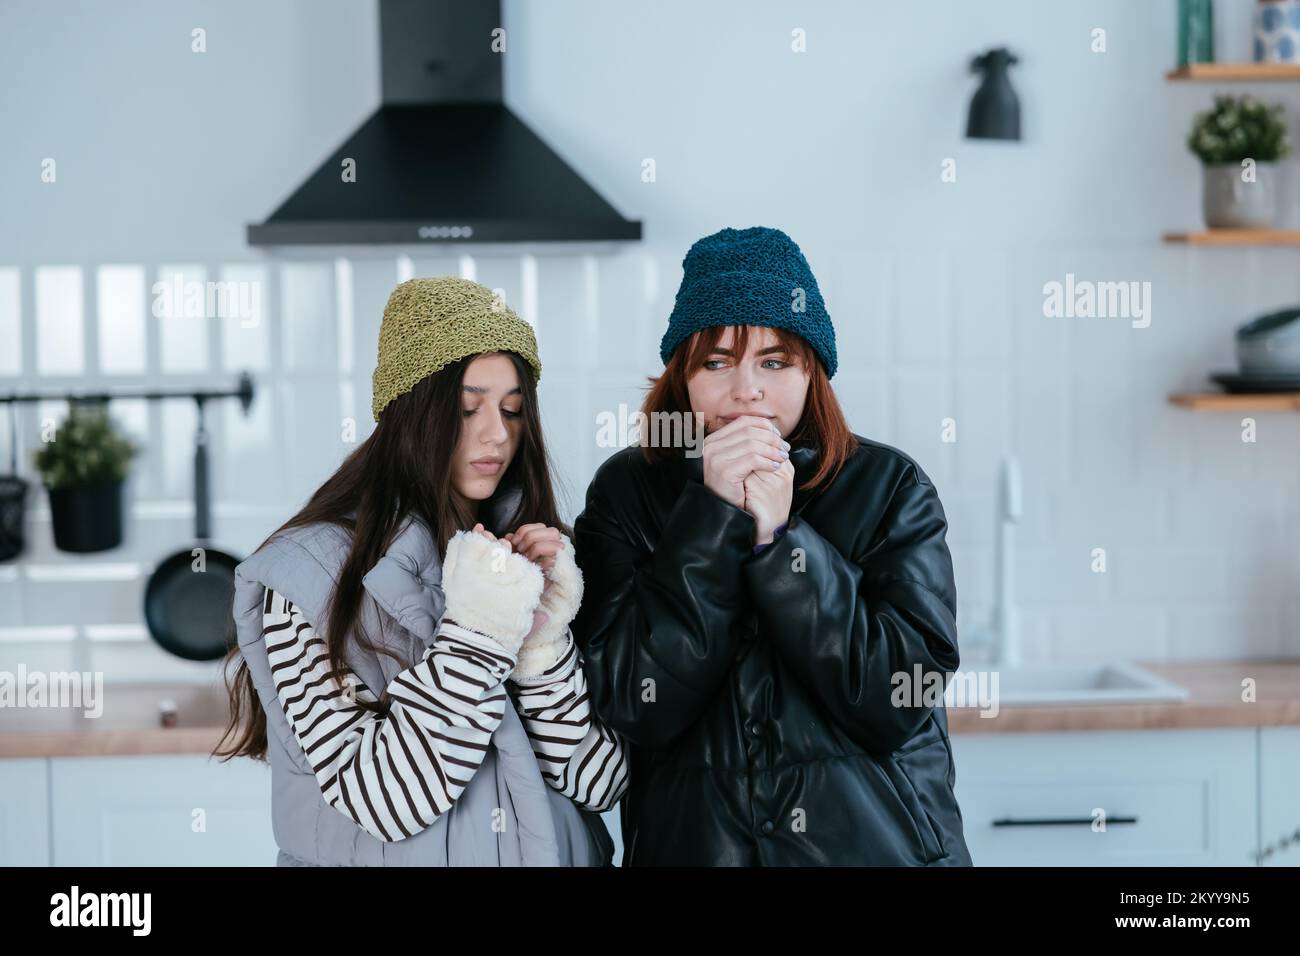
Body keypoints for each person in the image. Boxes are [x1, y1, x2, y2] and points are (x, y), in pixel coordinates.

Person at [571, 226, 974, 865]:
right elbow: (631, 704)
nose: (747, 389)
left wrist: (780, 539)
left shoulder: (888, 486)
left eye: (774, 361)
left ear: (812, 370)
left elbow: (900, 693)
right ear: (683, 378)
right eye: (717, 361)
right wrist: (709, 520)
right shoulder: (627, 492)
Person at [215, 277, 627, 866]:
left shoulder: (531, 556)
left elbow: (598, 783)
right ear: (409, 413)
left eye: (513, 410)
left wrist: (542, 644)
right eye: (466, 409)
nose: (497, 434)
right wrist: (481, 632)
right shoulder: (305, 579)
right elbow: (386, 804)